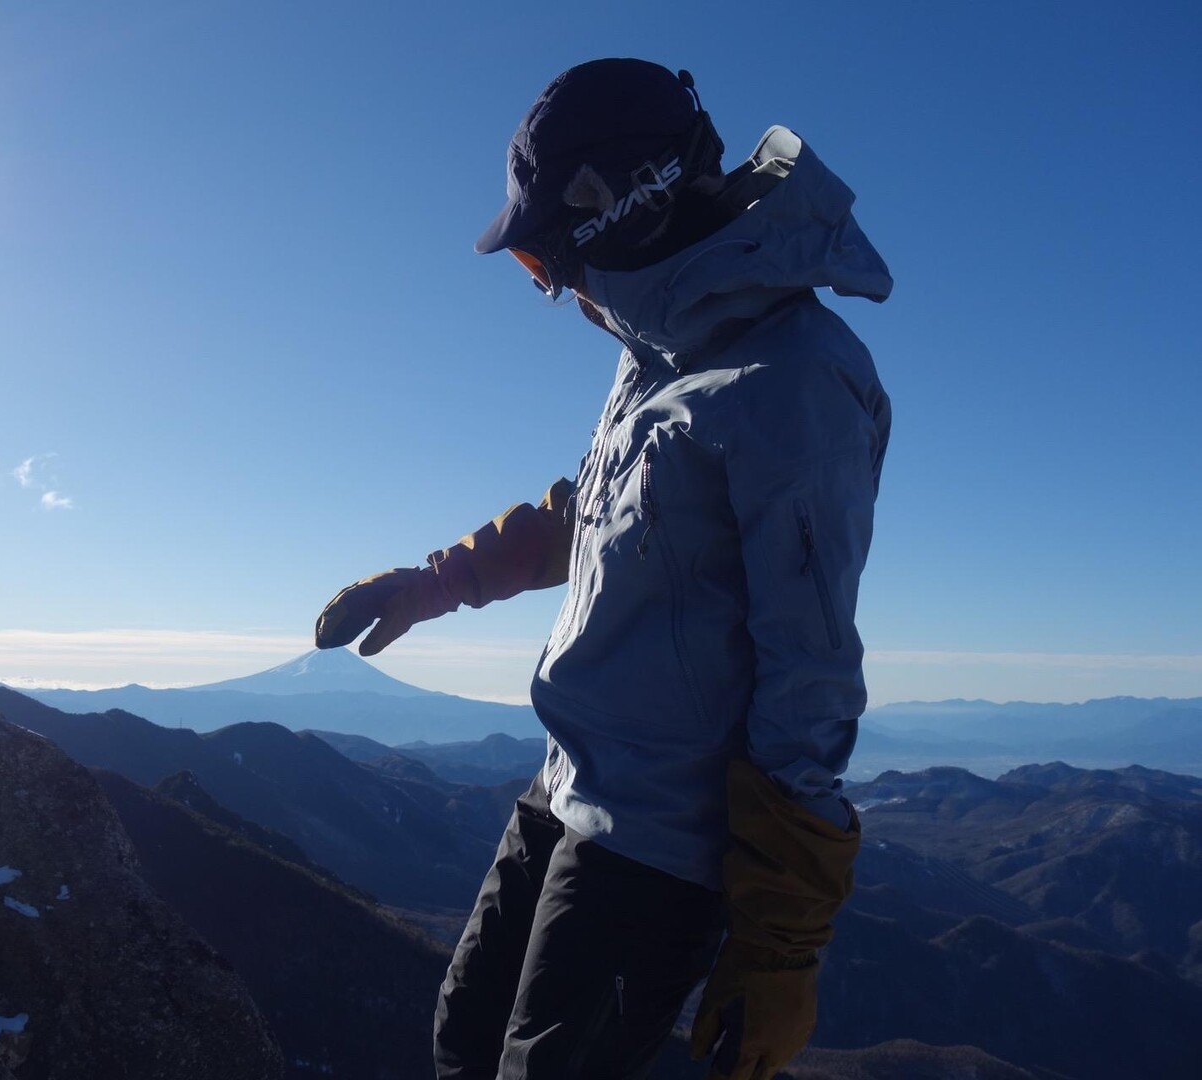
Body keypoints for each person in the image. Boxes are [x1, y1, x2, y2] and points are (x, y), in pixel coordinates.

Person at [314, 57, 891, 1080]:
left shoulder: (796, 382)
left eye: (542, 260)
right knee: (463, 1036)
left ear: (619, 211)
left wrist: (780, 944)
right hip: (569, 779)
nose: (554, 290)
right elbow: (598, 516)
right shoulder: (659, 352)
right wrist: (433, 583)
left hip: (661, 839)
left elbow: (810, 672)